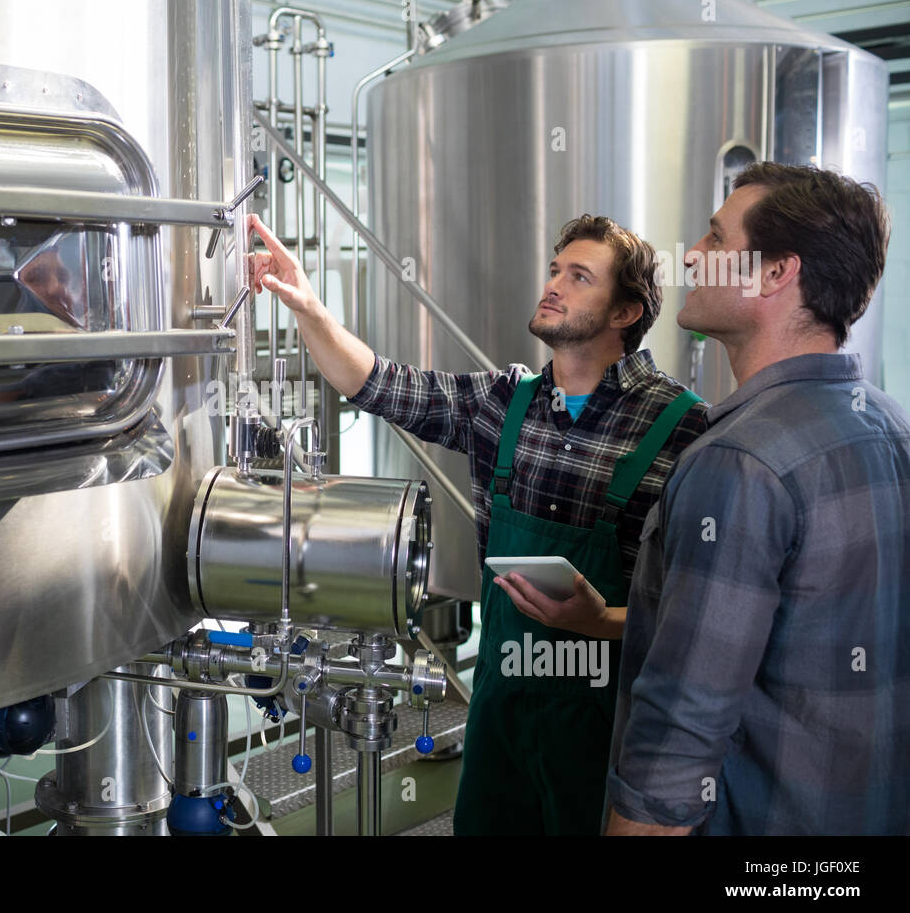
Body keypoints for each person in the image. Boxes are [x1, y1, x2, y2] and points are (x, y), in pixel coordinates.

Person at [246, 211, 708, 835]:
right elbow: (378, 383)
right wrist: (308, 307)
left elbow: (700, 613)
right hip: (502, 706)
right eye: (554, 270)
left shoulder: (685, 429)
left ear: (624, 313)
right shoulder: (502, 403)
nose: (553, 285)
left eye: (579, 277)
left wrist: (601, 622)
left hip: (610, 721)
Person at [601, 163, 908, 835]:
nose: (692, 254)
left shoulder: (740, 462)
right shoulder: (889, 425)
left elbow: (679, 736)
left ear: (776, 274)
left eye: (715, 239)